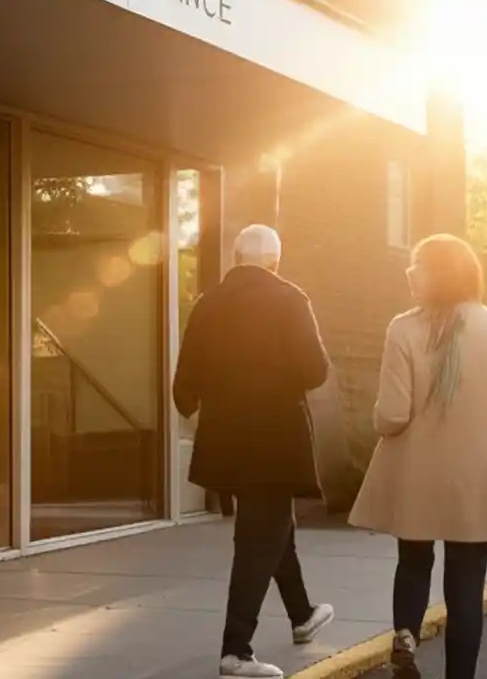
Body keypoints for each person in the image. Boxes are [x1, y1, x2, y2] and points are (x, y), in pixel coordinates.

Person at [349, 234, 487, 679]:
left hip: (416, 473)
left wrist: (375, 419)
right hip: (478, 472)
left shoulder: (404, 328)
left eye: (418, 267)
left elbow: (392, 414)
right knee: (466, 587)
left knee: (413, 563)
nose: (409, 275)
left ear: (438, 275)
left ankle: (406, 639)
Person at [174, 224, 336, 679]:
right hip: (276, 437)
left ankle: (302, 614)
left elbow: (184, 383)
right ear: (274, 262)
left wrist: (200, 414)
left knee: (270, 523)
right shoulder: (290, 299)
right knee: (256, 538)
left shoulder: (208, 304)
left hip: (227, 439)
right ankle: (235, 651)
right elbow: (315, 369)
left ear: (235, 257)